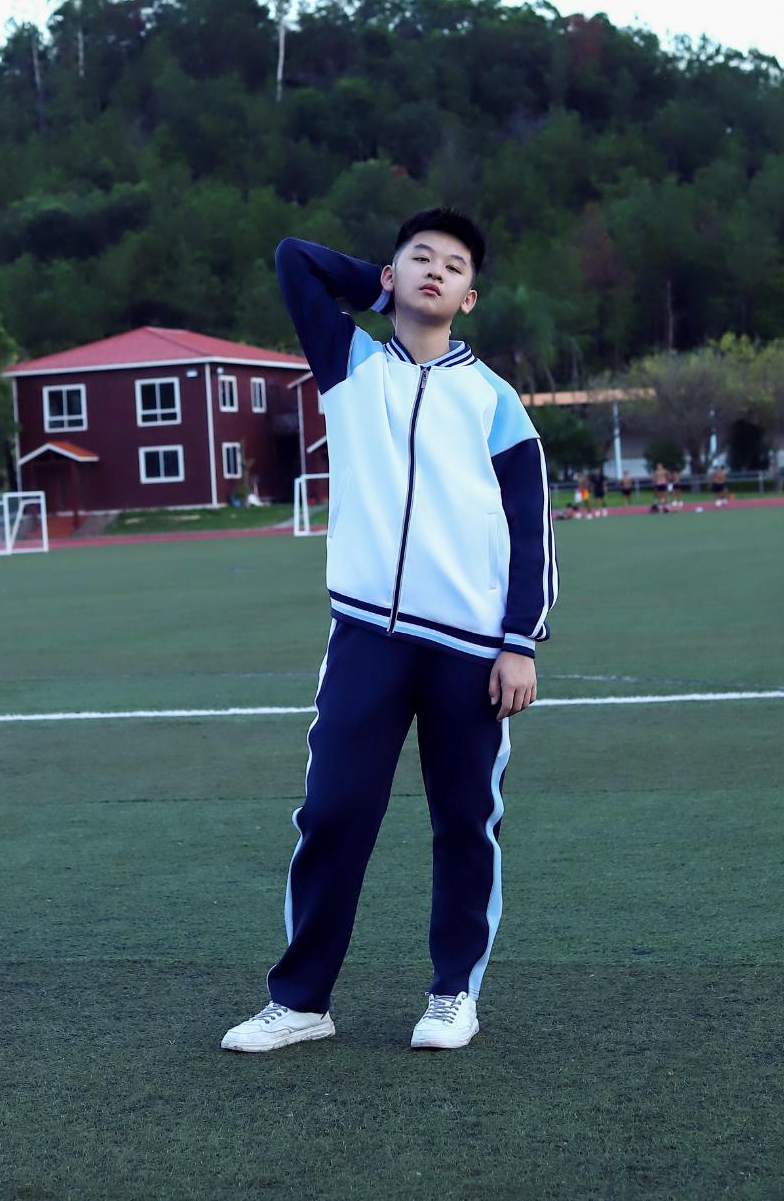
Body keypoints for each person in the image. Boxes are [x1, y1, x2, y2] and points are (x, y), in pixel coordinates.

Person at [222, 209, 557, 1056]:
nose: (434, 271)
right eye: (419, 258)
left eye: (453, 266)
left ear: (470, 297)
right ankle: (301, 1001)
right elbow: (293, 258)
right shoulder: (350, 364)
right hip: (366, 636)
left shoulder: (494, 401)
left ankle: (452, 995)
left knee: (464, 822)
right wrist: (374, 285)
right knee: (332, 813)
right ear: (390, 275)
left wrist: (519, 640)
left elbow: (529, 529)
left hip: (470, 650)